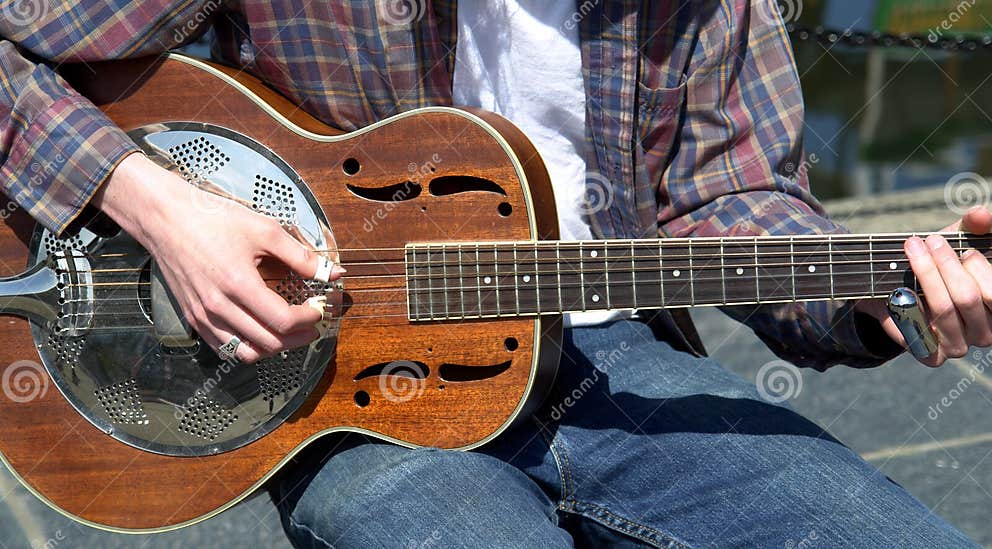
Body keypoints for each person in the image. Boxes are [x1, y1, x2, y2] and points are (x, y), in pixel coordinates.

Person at [0, 1, 984, 546]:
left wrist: (874, 278)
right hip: (341, 392)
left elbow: (730, 203)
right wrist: (154, 206)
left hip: (609, 359)